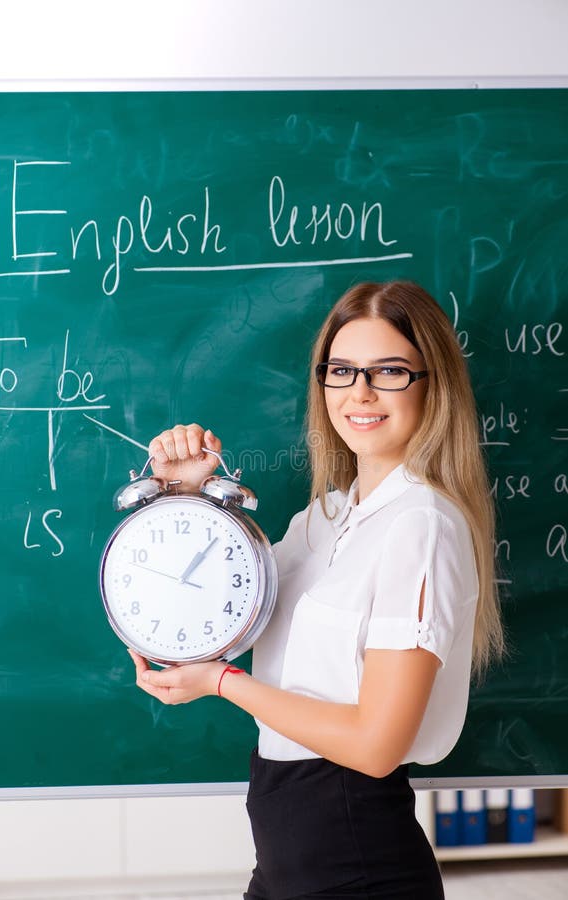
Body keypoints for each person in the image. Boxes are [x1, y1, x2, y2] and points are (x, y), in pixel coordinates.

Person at [128, 280, 505, 899]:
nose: (360, 391)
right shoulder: (321, 520)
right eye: (341, 370)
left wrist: (222, 683)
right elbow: (206, 608)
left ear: (431, 386)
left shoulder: (422, 524)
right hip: (284, 858)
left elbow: (376, 745)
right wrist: (186, 494)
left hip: (355, 862)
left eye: (388, 371)